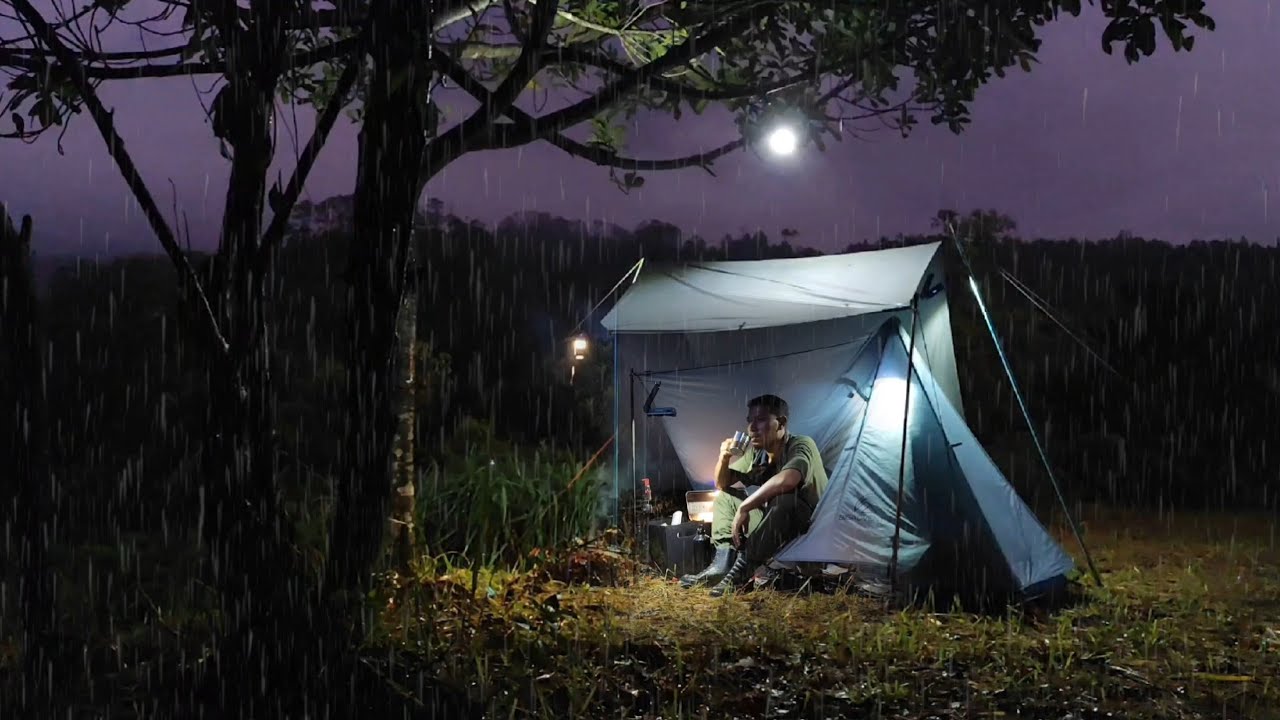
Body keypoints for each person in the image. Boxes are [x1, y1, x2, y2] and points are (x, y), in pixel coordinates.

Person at [678, 393, 829, 597]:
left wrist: (746, 506)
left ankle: (743, 570)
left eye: (761, 420)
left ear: (781, 423)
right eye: (750, 421)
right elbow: (722, 483)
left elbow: (789, 479)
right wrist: (724, 457)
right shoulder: (757, 453)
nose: (752, 428)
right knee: (726, 496)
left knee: (785, 501)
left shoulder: (801, 444)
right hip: (773, 525)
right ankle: (723, 564)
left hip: (808, 528)